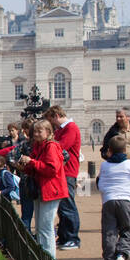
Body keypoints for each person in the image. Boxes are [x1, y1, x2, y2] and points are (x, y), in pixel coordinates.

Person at [18, 118, 68, 258]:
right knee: (40, 227)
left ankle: (49, 258)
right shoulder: (38, 146)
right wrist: (25, 166)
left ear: (48, 132)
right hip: (40, 189)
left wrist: (32, 162)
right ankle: (43, 255)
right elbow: (36, 167)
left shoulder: (51, 146)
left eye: (40, 131)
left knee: (46, 227)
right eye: (35, 131)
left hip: (51, 190)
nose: (36, 134)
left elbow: (52, 169)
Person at [96, 134, 130, 260]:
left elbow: (100, 183)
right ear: (125, 150)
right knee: (126, 230)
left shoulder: (105, 164)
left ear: (110, 150)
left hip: (108, 200)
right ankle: (122, 254)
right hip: (127, 200)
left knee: (109, 233)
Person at [45, 105, 82, 249]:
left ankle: (73, 238)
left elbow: (61, 146)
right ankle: (64, 236)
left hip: (68, 171)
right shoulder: (63, 129)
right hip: (62, 171)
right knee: (62, 207)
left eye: (52, 121)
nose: (52, 125)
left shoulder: (71, 128)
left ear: (56, 116)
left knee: (68, 206)